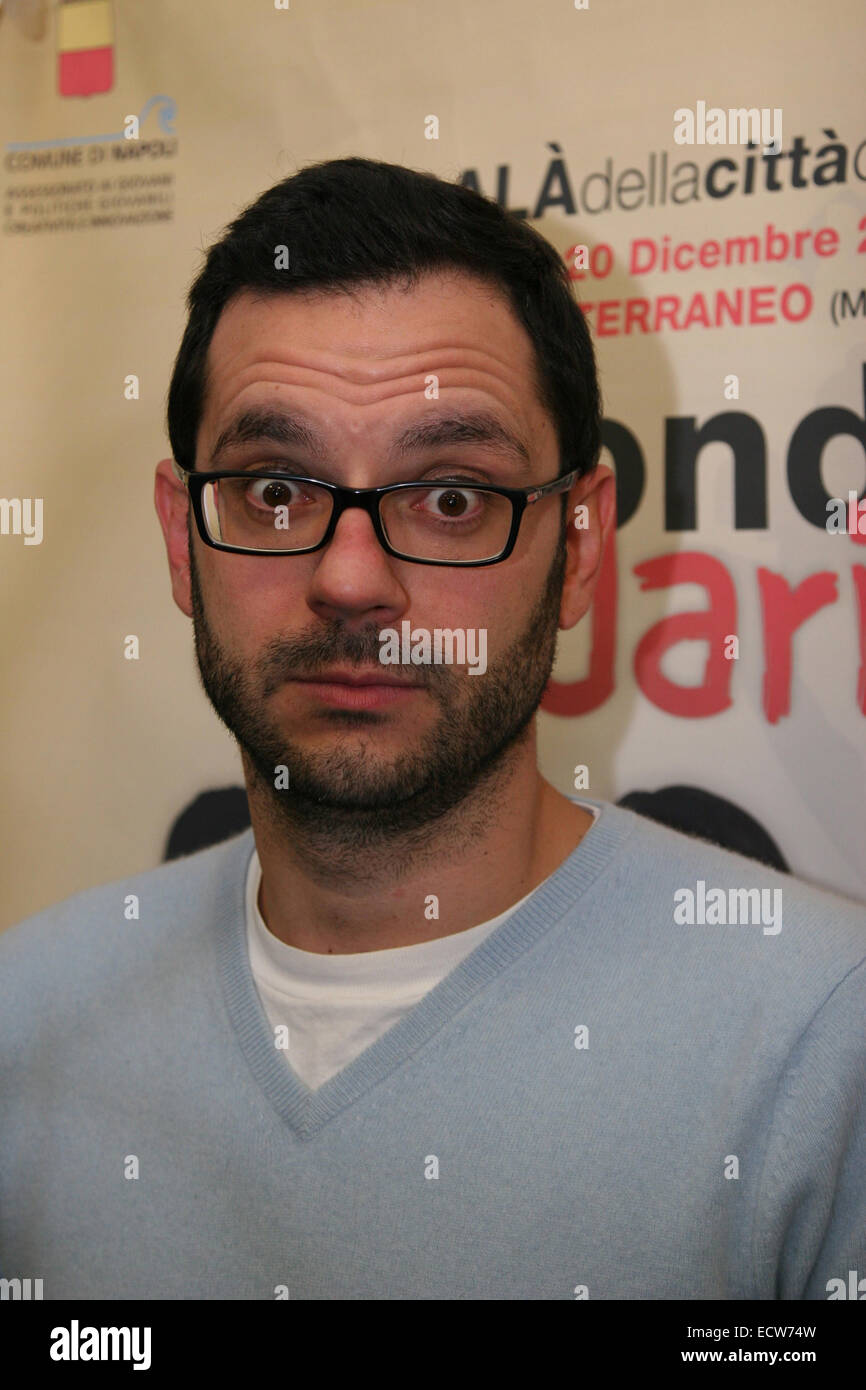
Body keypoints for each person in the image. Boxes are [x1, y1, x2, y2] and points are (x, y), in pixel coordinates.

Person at [1, 158, 864, 1302]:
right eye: (273, 489)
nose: (350, 578)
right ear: (182, 537)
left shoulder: (822, 1042)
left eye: (452, 496)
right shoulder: (28, 1016)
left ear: (579, 544)